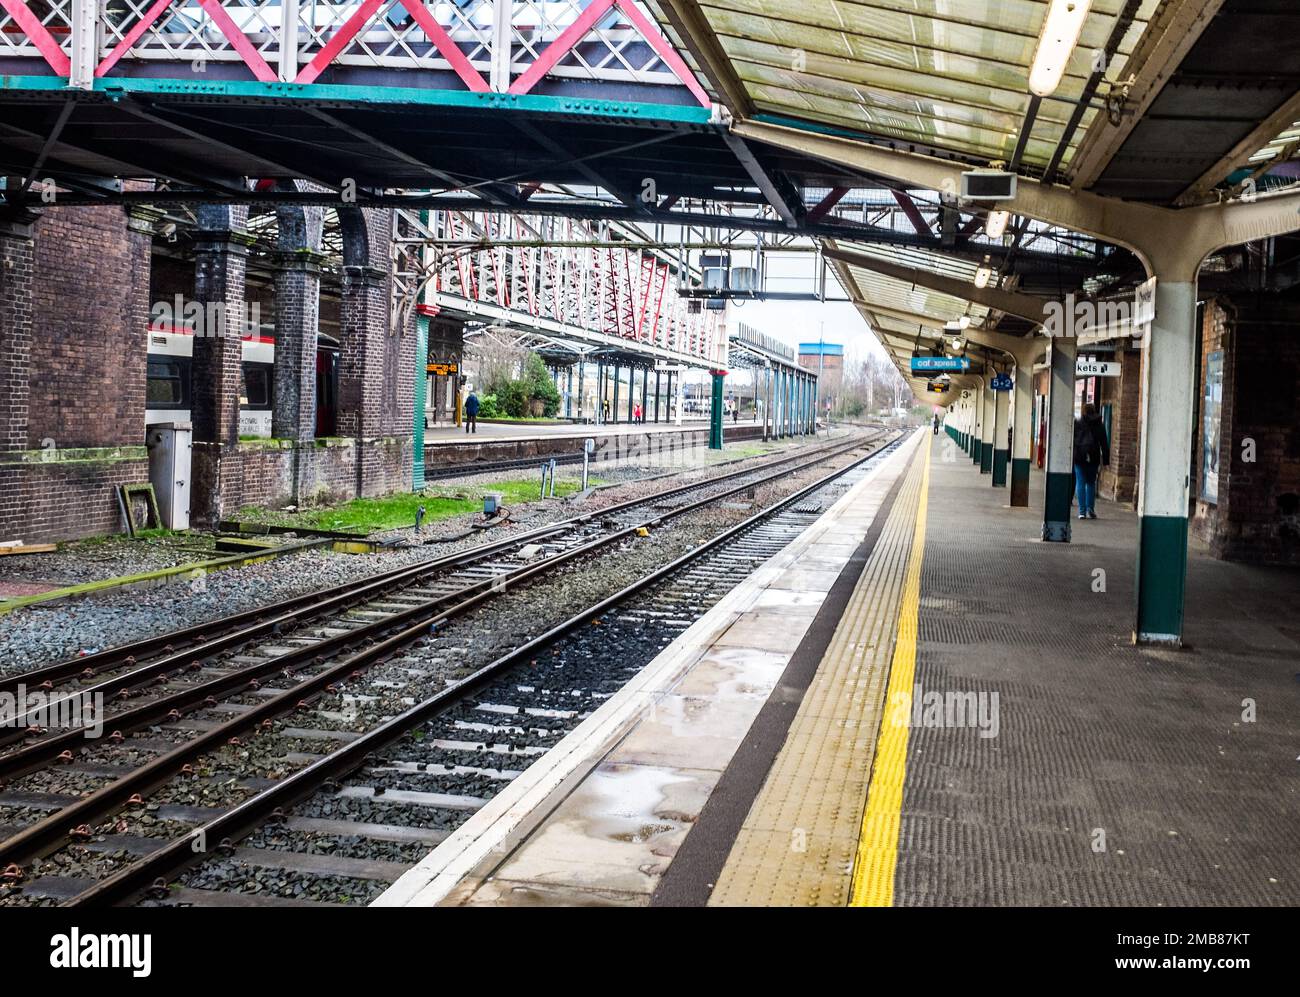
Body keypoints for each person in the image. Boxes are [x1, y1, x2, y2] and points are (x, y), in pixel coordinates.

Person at [1073, 403, 1109, 519]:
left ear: (1083, 411)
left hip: (1080, 457)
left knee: (1080, 482)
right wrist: (1106, 460)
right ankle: (1090, 509)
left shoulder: (1078, 424)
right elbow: (1104, 443)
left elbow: (1073, 441)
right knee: (1091, 483)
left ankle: (1082, 512)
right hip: (1093, 457)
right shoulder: (1100, 424)